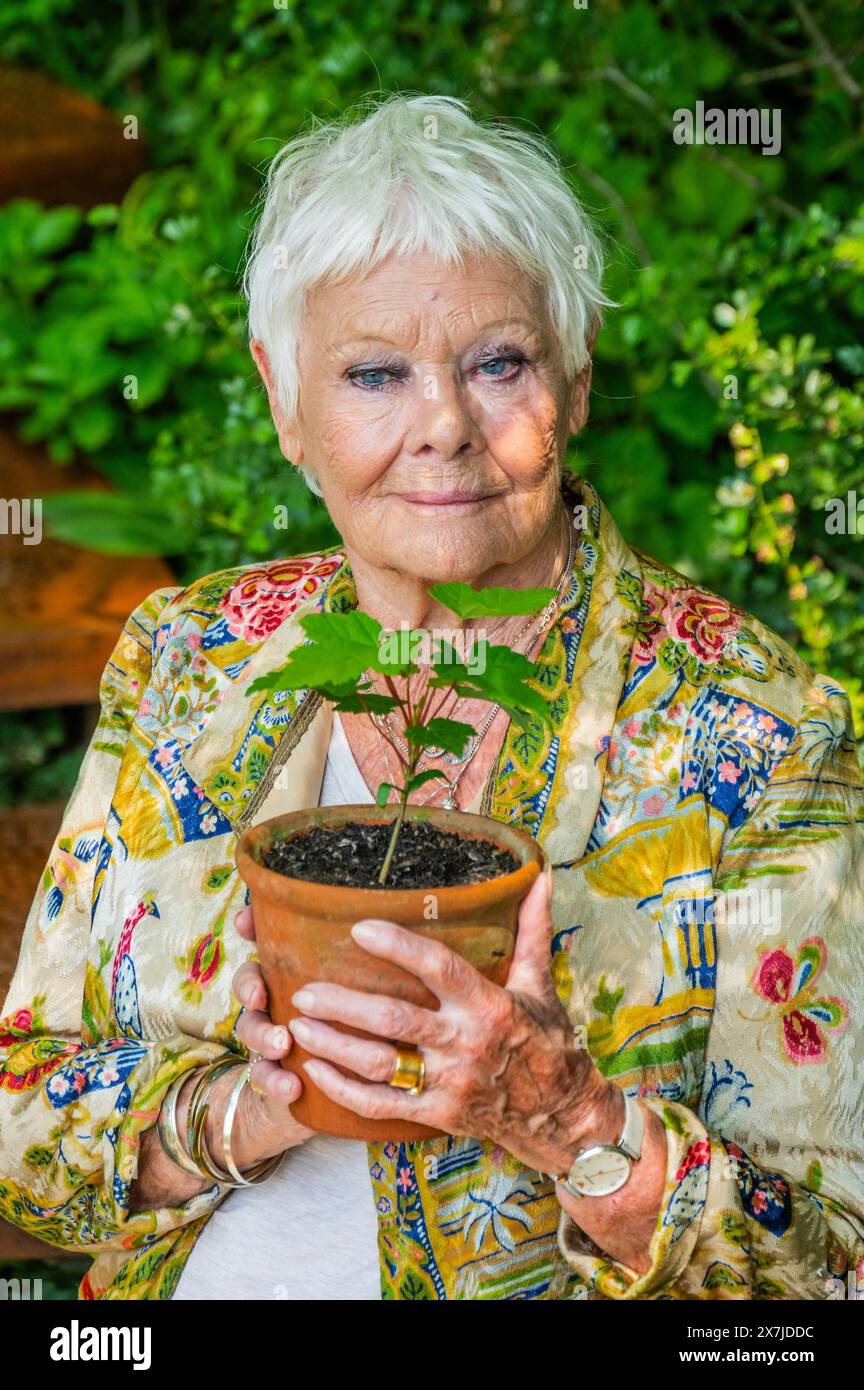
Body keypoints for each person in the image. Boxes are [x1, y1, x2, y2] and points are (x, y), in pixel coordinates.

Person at [1, 93, 862, 1302]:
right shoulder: (191, 657)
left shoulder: (760, 733)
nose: (445, 427)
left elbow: (832, 1277)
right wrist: (249, 1107)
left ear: (576, 375)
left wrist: (569, 1118)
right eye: (372, 372)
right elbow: (19, 1125)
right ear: (283, 401)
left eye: (498, 362)